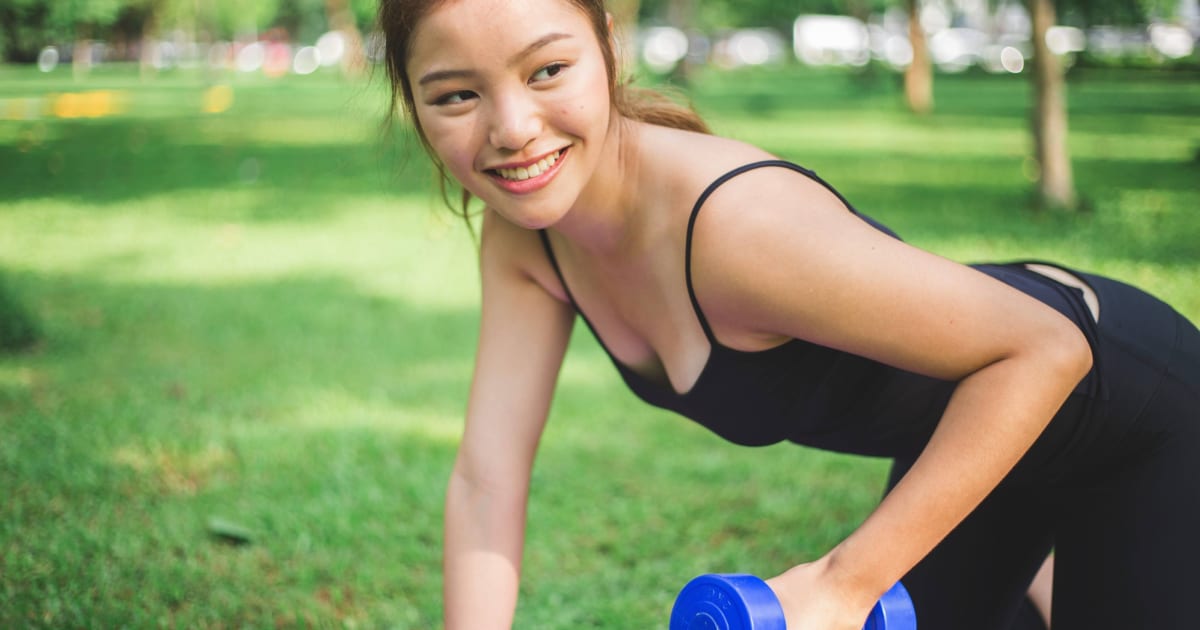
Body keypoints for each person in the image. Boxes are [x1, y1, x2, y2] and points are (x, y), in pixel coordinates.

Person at [377, 1, 1200, 628]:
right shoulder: (527, 237)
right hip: (979, 442)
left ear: (607, 50)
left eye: (548, 70)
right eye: (457, 95)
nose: (513, 129)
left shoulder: (738, 230)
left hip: (1127, 409)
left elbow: (1045, 348)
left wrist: (846, 583)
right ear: (413, 106)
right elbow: (487, 479)